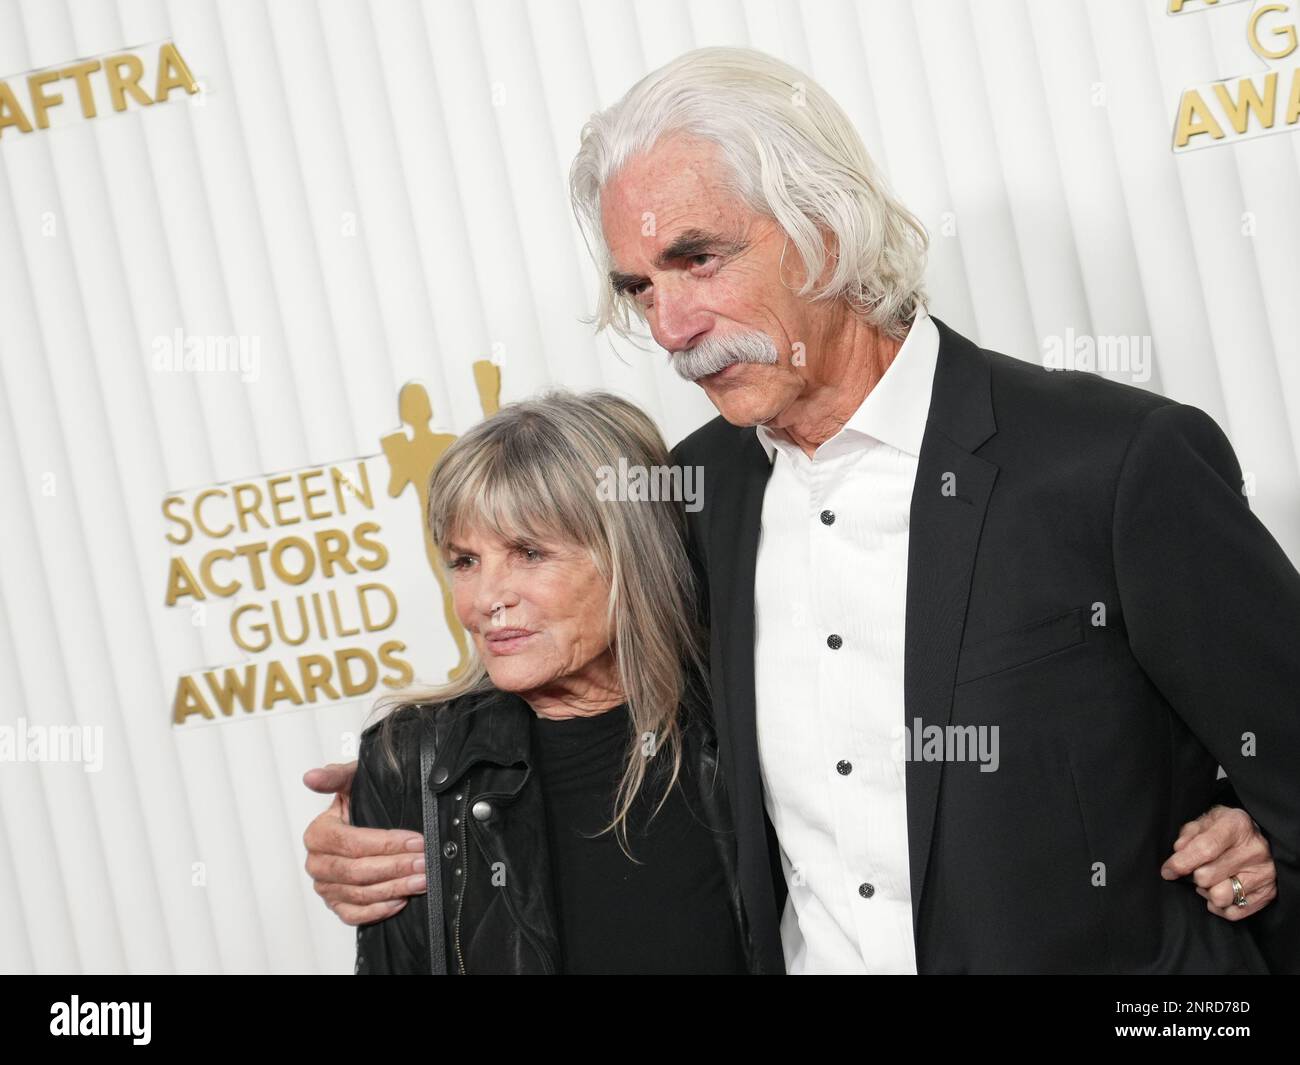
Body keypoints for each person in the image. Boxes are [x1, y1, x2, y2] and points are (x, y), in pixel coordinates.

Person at [305, 46, 1291, 974]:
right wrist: (394, 820)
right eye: (640, 290)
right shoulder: (685, 500)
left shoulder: (1109, 464)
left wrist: (1249, 850)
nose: (673, 328)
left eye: (700, 261)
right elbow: (582, 710)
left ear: (825, 227)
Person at [349, 390, 759, 974]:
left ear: (632, 553)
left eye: (529, 553)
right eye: (465, 561)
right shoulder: (411, 762)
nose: (487, 599)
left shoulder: (746, 712)